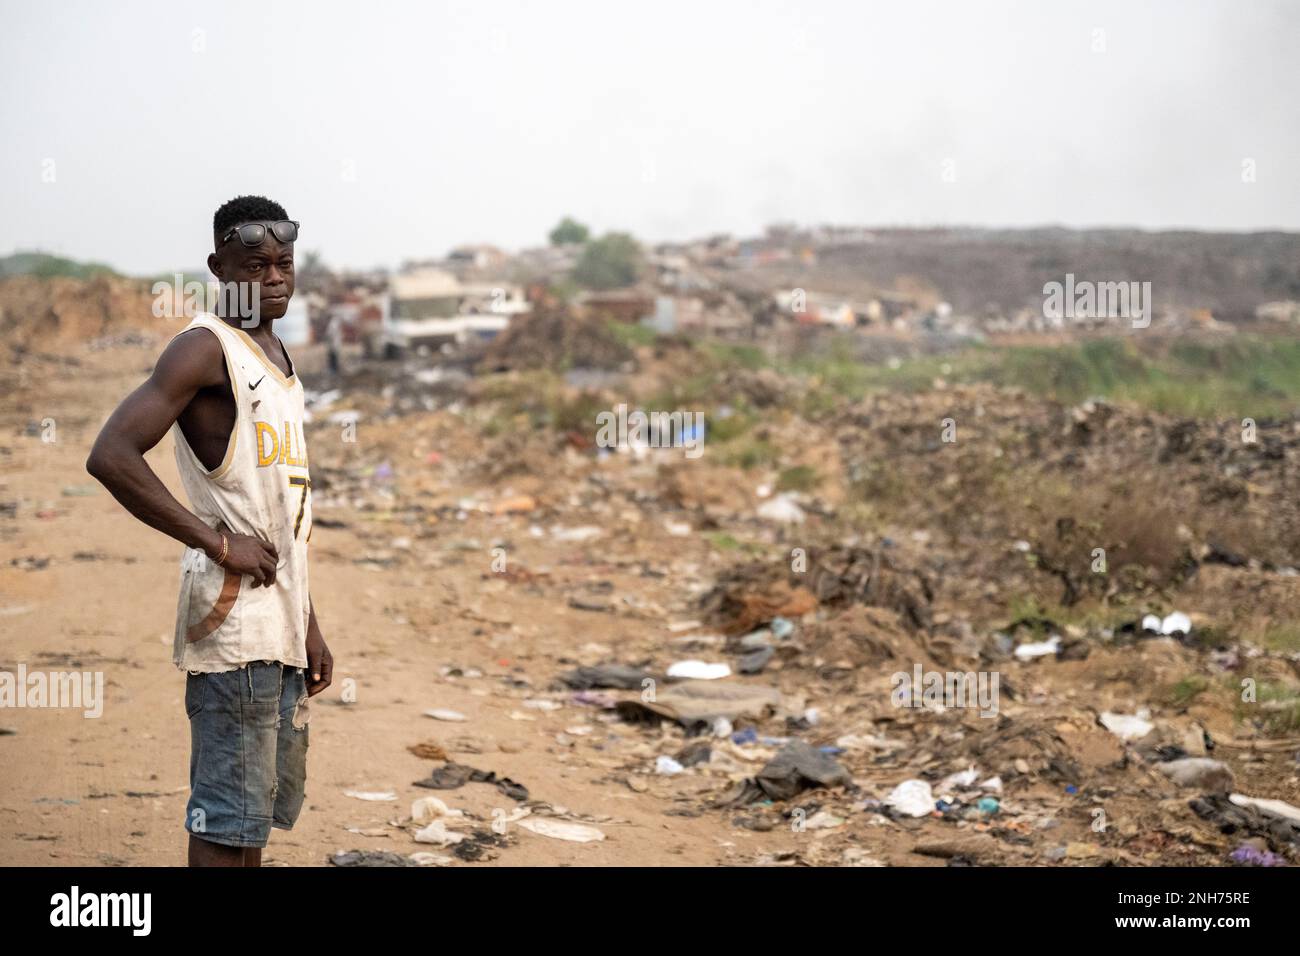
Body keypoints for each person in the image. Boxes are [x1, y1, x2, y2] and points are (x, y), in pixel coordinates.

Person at [86, 195, 333, 867]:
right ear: (217, 266)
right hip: (235, 626)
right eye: (256, 265)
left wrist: (307, 622)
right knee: (226, 823)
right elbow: (111, 454)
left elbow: (277, 510)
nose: (275, 278)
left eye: (284, 263)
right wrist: (217, 542)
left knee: (251, 825)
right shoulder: (203, 350)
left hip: (277, 627)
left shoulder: (276, 353)